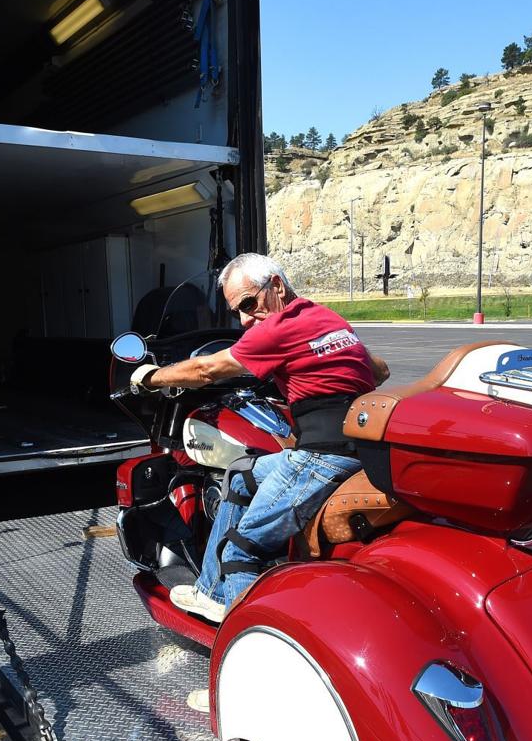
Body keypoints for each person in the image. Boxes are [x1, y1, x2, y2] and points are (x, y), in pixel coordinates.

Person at [130, 253, 389, 623]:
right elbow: (379, 370)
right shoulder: (326, 318)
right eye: (237, 312)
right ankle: (211, 592)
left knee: (241, 550)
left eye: (249, 304)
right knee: (239, 475)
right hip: (361, 448)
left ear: (277, 286)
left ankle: (241, 634)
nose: (244, 320)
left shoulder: (280, 327)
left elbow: (206, 370)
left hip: (321, 458)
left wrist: (150, 377)